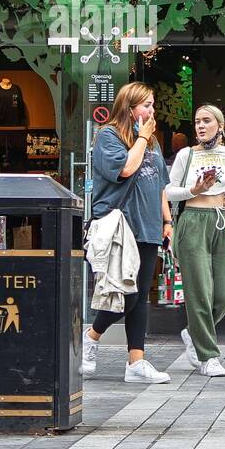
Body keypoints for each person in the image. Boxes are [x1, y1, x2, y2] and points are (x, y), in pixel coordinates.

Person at [80, 81, 173, 384]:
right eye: (146, 104)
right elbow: (125, 169)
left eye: (153, 104)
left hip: (148, 226)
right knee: (126, 294)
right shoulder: (108, 135)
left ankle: (136, 361)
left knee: (141, 294)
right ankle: (92, 335)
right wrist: (143, 138)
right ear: (130, 107)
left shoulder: (152, 142)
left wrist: (168, 221)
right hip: (122, 225)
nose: (151, 110)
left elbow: (159, 183)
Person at [164, 104, 225, 377]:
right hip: (193, 220)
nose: (200, 126)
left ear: (220, 126)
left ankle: (194, 331)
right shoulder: (186, 155)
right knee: (200, 293)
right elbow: (169, 191)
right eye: (197, 122)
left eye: (206, 121)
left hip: (220, 223)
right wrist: (192, 189)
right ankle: (209, 356)